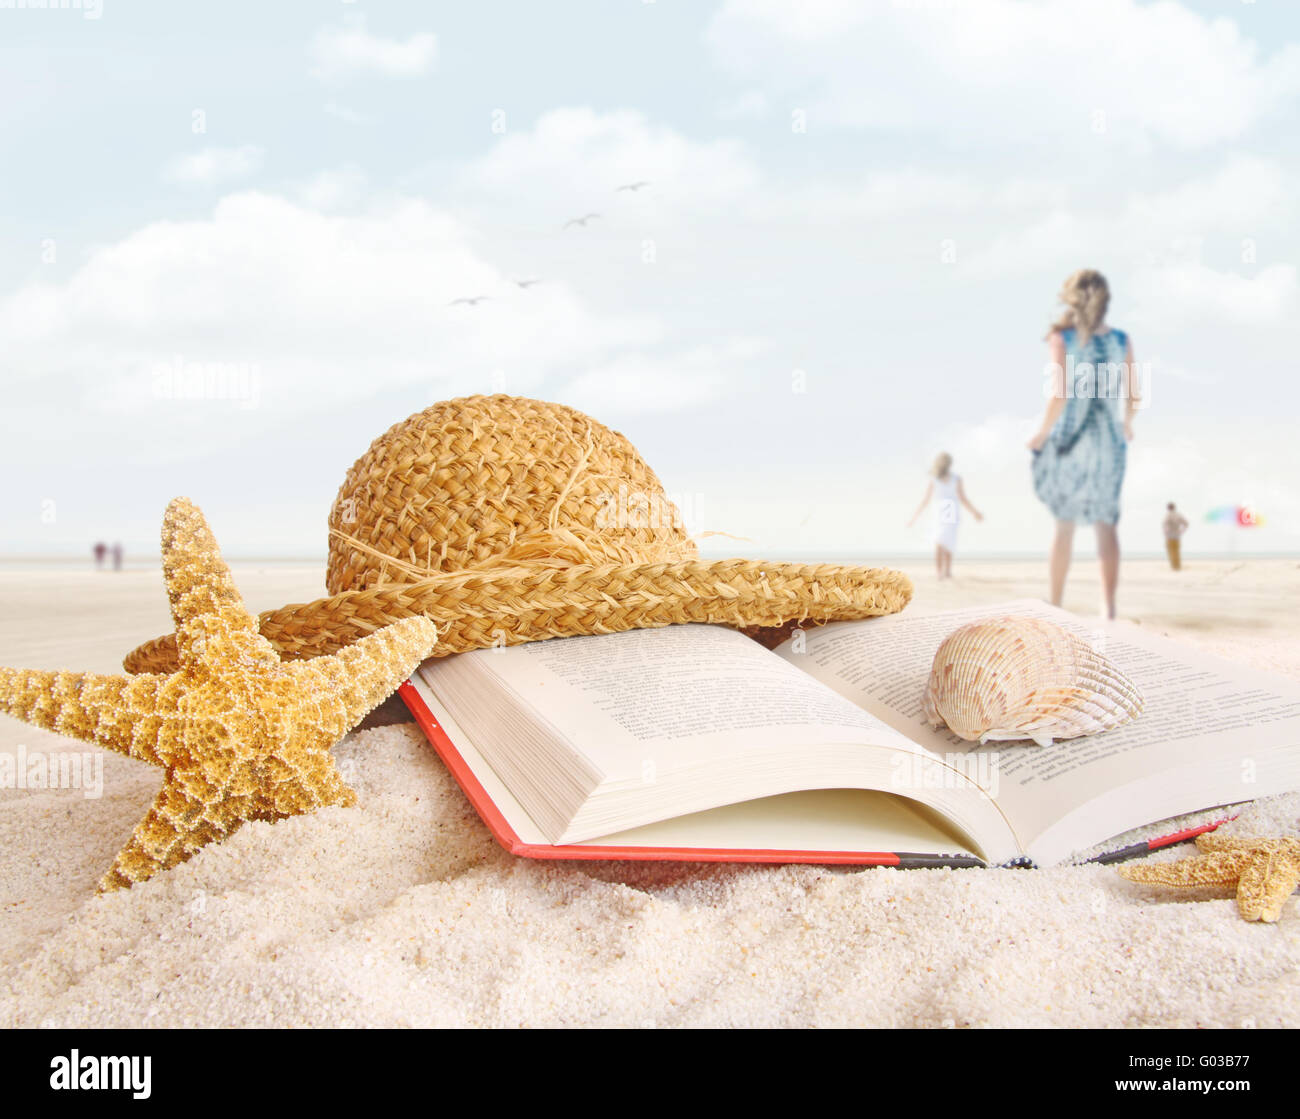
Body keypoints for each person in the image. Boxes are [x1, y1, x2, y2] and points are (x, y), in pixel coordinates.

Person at [1028, 269, 1141, 619]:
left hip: (1070, 439)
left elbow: (1059, 396)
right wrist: (1126, 424)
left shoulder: (1062, 337)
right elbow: (1134, 396)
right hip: (1109, 441)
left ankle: (1056, 602)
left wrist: (1040, 435)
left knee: (1065, 524)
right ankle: (1108, 609)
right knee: (1106, 525)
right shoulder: (1122, 339)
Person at [907, 452, 983, 579]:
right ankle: (942, 571)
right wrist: (914, 517)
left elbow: (962, 497)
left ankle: (945, 571)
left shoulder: (955, 478)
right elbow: (927, 499)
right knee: (942, 541)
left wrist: (975, 512)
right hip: (942, 510)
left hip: (947, 510)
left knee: (946, 541)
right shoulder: (936, 478)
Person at [1163, 502, 1189, 571]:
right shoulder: (1178, 515)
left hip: (1170, 536)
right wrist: (1182, 531)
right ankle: (1177, 566)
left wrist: (1166, 533)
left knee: (1171, 551)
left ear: (1168, 508)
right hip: (1177, 535)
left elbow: (1165, 526)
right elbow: (1186, 523)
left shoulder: (1168, 515)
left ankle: (1174, 566)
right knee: (1177, 551)